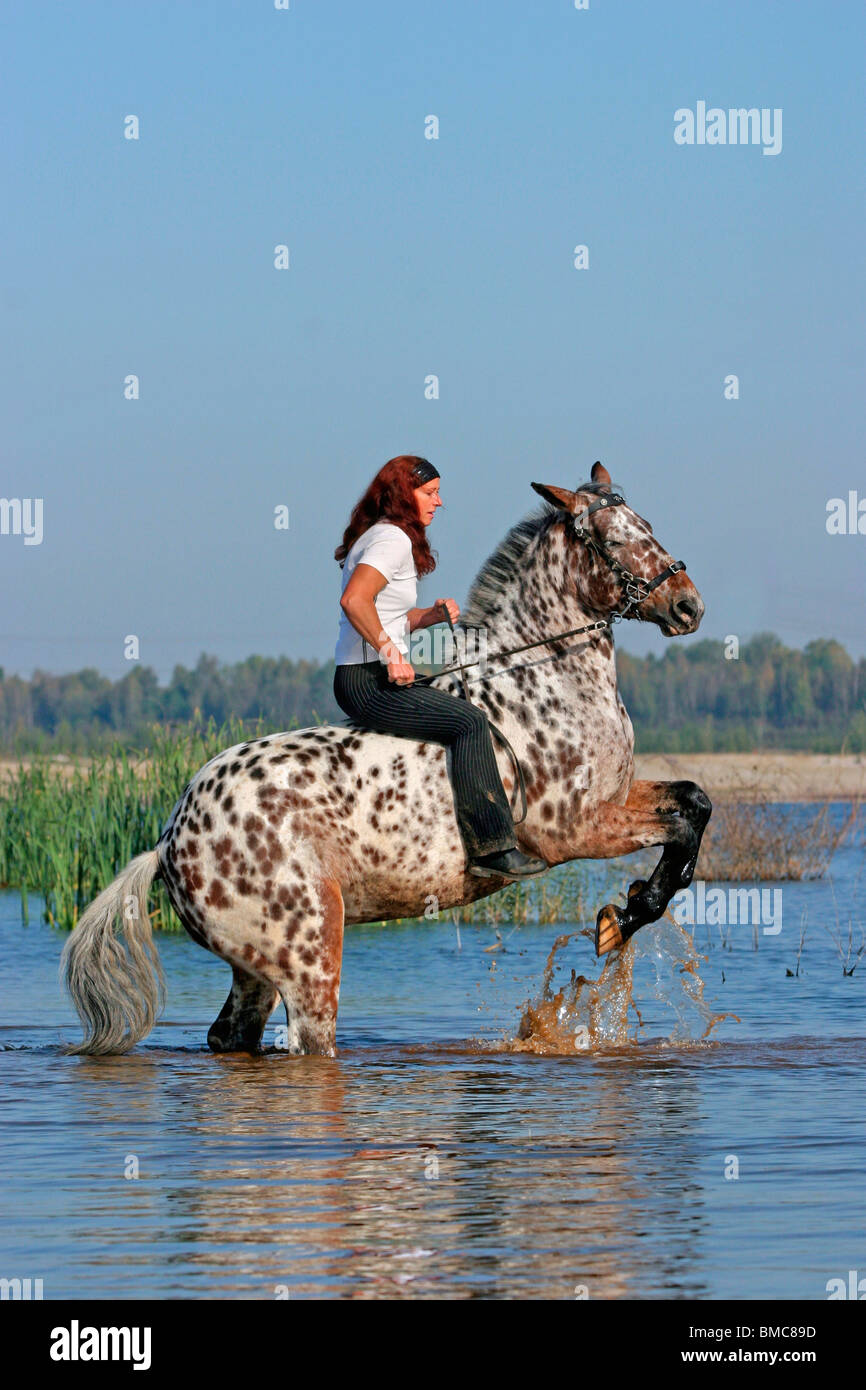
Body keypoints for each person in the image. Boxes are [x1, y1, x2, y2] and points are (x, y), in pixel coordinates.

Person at [333, 454, 547, 879]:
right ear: (402, 495)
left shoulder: (384, 537)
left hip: (369, 673)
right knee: (469, 723)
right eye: (429, 493)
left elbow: (387, 614)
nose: (439, 501)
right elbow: (355, 601)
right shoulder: (390, 540)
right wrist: (392, 654)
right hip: (366, 680)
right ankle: (491, 849)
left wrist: (426, 617)